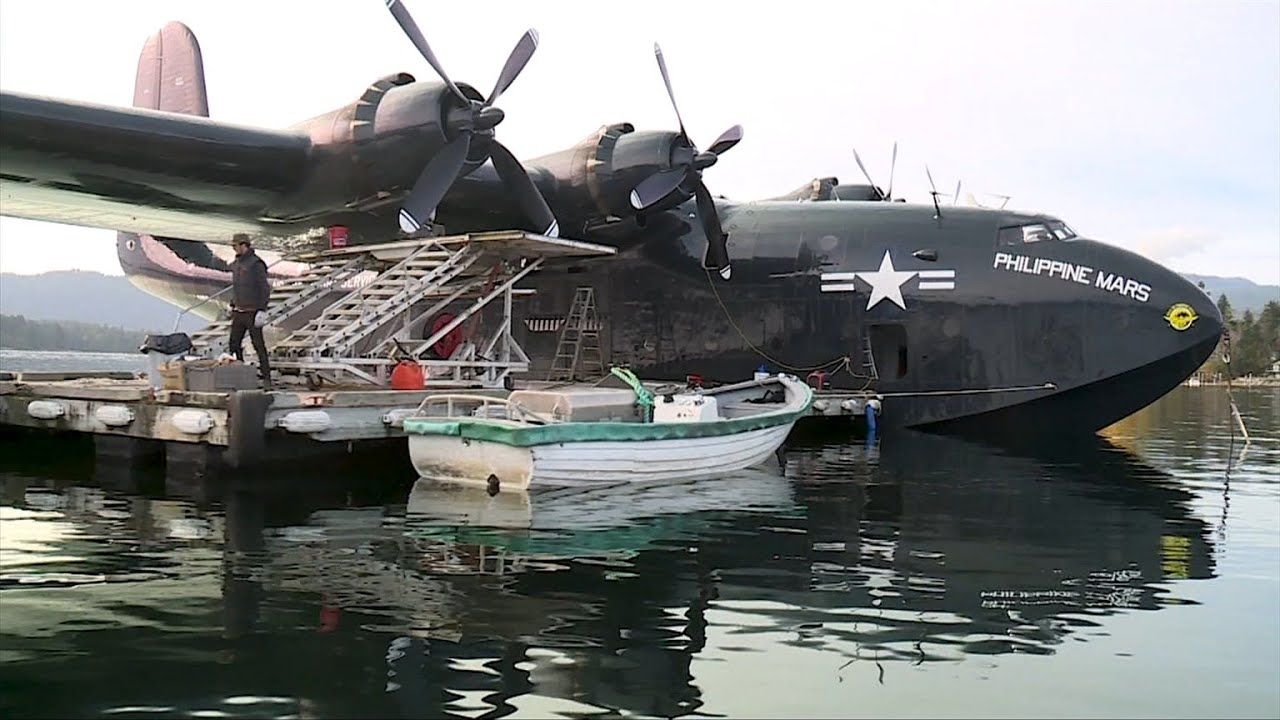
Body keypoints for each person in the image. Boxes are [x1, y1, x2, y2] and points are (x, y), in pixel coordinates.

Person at [228, 234, 272, 388]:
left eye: (235, 246)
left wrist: (262, 309)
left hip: (253, 312)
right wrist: (233, 304)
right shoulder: (235, 264)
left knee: (258, 345)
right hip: (239, 311)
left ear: (244, 245)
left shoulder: (256, 264)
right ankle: (240, 375)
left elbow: (264, 288)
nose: (234, 249)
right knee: (233, 344)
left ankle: (267, 378)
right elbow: (237, 287)